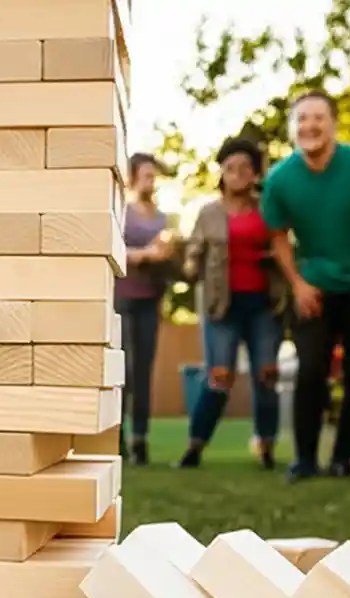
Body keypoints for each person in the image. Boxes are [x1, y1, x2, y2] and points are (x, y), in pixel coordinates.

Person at [260, 91, 350, 482]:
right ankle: (305, 459)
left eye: (318, 118)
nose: (310, 126)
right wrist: (298, 284)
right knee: (310, 372)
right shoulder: (279, 180)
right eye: (302, 119)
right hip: (316, 288)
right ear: (293, 128)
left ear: (333, 125)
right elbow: (277, 236)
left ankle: (344, 458)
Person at [176, 138, 295, 471]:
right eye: (230, 168)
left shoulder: (267, 208)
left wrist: (273, 258)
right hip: (221, 306)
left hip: (263, 305)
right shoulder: (209, 212)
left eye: (245, 168)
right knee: (219, 376)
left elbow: (284, 244)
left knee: (266, 375)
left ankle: (266, 446)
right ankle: (194, 446)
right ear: (222, 174)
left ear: (256, 173)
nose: (238, 174)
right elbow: (194, 252)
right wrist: (189, 267)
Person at [116, 153, 174, 465]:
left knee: (143, 372)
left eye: (154, 176)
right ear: (133, 177)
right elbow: (114, 251)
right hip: (122, 298)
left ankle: (141, 440)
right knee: (122, 371)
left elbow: (165, 254)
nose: (151, 181)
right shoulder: (122, 213)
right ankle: (118, 438)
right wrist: (144, 255)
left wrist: (166, 255)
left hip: (150, 299)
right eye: (146, 175)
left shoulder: (162, 218)